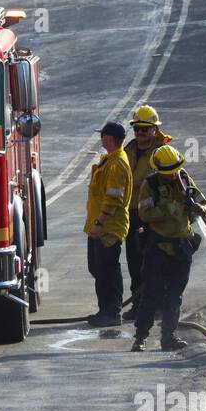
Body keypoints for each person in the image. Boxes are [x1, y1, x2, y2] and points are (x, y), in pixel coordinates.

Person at [131, 144, 206, 352]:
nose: (172, 176)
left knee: (175, 295)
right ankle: (140, 338)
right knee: (152, 294)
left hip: (182, 247)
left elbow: (204, 203)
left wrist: (197, 207)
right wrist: (168, 209)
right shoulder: (150, 185)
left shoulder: (184, 179)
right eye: (168, 173)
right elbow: (144, 213)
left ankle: (169, 337)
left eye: (174, 171)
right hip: (158, 247)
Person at [123, 105, 172, 318]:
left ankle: (158, 307)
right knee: (134, 262)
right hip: (132, 214)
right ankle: (139, 305)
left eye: (145, 128)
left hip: (155, 218)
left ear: (154, 129)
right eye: (137, 128)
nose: (140, 133)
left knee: (155, 263)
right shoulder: (129, 149)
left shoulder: (163, 153)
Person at [84, 121, 132, 327]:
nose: (100, 138)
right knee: (98, 269)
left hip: (107, 228)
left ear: (110, 138)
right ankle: (105, 310)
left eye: (102, 135)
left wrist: (100, 223)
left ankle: (112, 313)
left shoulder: (117, 164)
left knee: (108, 271)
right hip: (98, 227)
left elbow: (113, 198)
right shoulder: (109, 160)